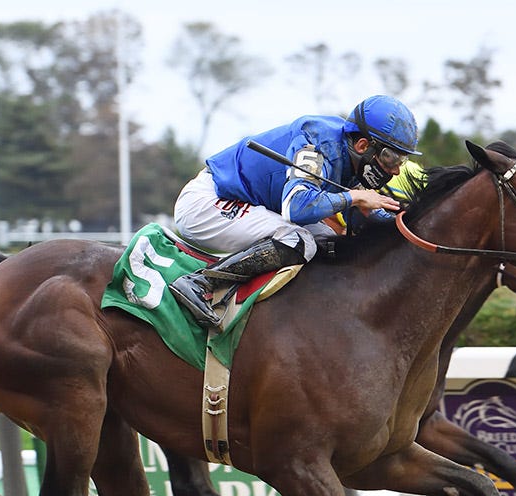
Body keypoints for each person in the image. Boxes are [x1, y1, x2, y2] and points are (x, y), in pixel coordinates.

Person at [169, 95, 420, 327]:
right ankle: (200, 282)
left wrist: (407, 229)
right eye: (391, 159)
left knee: (329, 242)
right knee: (299, 240)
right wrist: (354, 197)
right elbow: (297, 208)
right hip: (208, 202)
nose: (396, 170)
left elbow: (371, 215)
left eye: (401, 161)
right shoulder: (317, 144)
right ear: (364, 145)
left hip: (250, 205)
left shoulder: (351, 155)